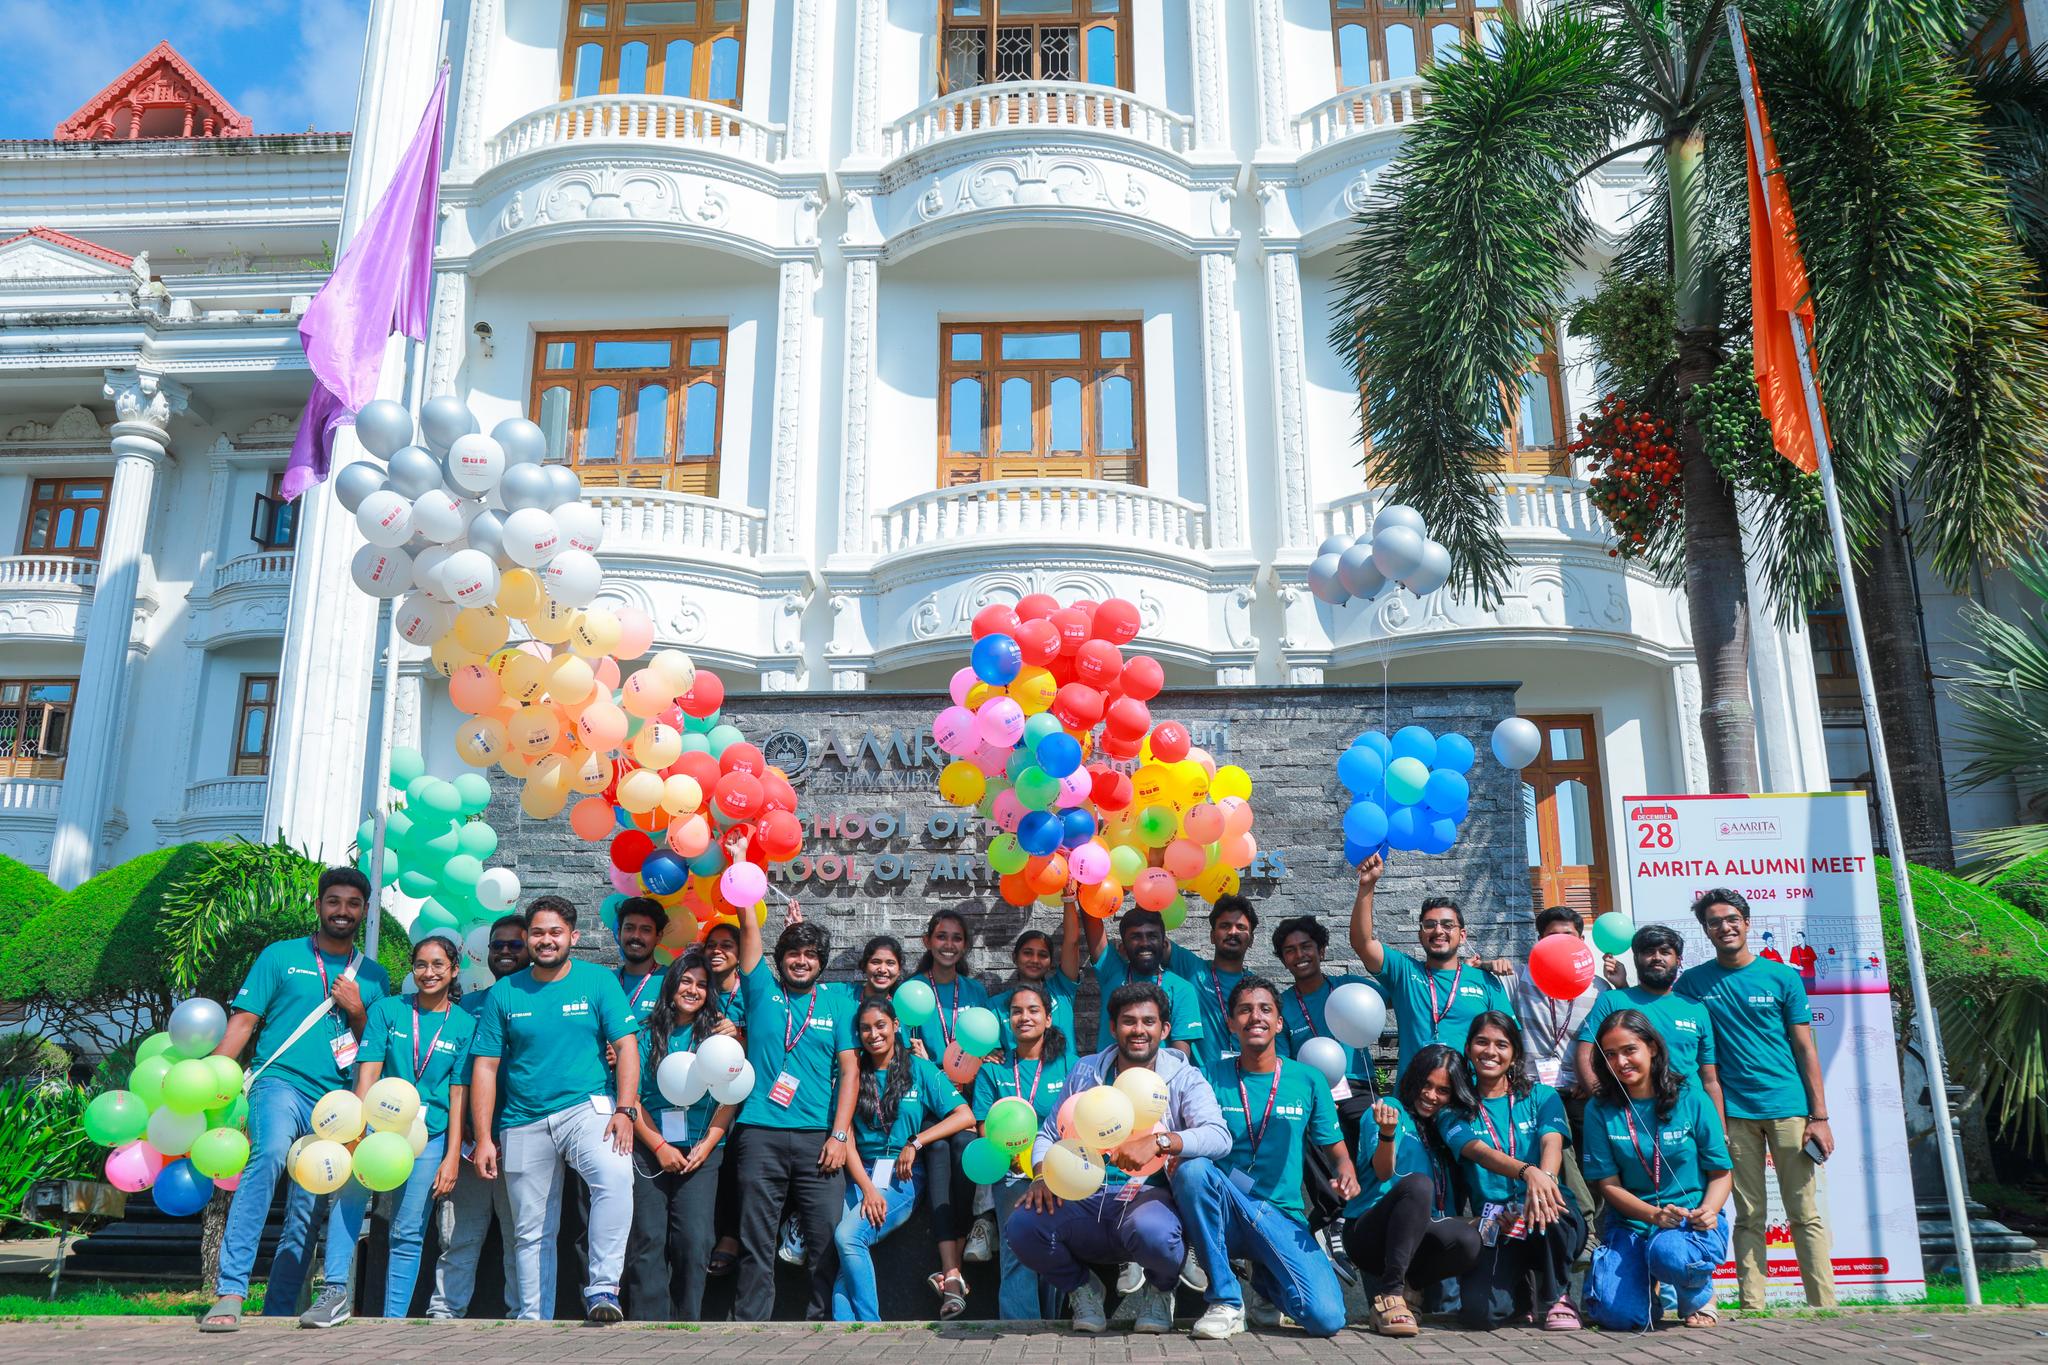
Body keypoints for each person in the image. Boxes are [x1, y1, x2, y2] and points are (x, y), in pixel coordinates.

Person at [201, 867, 393, 1333]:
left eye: (352, 904)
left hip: (337, 1098)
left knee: (309, 1196)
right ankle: (230, 1293)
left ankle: (280, 1308)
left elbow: (374, 1045)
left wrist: (358, 1009)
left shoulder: (374, 975)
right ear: (319, 906)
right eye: (334, 901)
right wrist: (212, 1085)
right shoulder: (280, 956)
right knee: (266, 1157)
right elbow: (244, 1023)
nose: (342, 911)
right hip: (280, 1081)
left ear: (364, 911)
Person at [1003, 981, 1231, 1335]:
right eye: (1128, 1021)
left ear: (1164, 1029)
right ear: (1113, 1027)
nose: (1138, 1030)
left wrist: (1160, 1141)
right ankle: (1083, 1289)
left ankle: (1161, 1289)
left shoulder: (1185, 1077)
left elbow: (1219, 1136)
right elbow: (1049, 1133)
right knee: (1022, 1226)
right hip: (1086, 1195)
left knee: (1154, 1234)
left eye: (1148, 1021)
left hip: (1149, 1198)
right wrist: (1041, 1176)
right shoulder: (1086, 1071)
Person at [469, 896, 643, 1323]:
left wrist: (625, 1110)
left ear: (573, 937)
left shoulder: (599, 981)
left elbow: (626, 1046)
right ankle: (533, 1320)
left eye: (555, 932)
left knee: (615, 1176)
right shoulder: (505, 992)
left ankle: (603, 1288)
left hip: (587, 1109)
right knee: (530, 1231)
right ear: (528, 938)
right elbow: (486, 1068)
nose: (546, 941)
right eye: (538, 933)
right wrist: (486, 1136)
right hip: (522, 1120)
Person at [1675, 888, 1834, 1309]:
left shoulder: (1782, 977)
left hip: (1788, 1109)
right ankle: (1752, 1307)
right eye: (1714, 922)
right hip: (1733, 1115)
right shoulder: (1693, 983)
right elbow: (1668, 1018)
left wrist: (1819, 1116)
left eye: (1731, 919)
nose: (1724, 927)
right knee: (1748, 1216)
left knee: (1804, 1214)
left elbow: (1805, 1047)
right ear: (1705, 931)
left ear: (1745, 923)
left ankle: (1825, 1309)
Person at [1177, 975, 1355, 1340]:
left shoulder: (1308, 1079)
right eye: (1244, 1010)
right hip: (1224, 1208)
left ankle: (1266, 1283)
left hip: (1280, 1214)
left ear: (1278, 1022)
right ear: (1230, 1023)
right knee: (1193, 1171)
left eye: (1264, 1009)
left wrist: (1345, 1173)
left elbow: (1336, 1151)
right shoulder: (1207, 1076)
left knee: (1326, 1319)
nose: (1254, 1017)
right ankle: (1226, 1301)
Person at [730, 888, 860, 1321]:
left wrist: (839, 1135)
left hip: (818, 1139)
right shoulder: (760, 989)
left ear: (821, 963)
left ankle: (823, 1321)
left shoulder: (840, 1005)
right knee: (757, 1239)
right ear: (779, 957)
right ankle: (750, 1324)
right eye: (793, 953)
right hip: (758, 1132)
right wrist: (743, 868)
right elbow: (748, 927)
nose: (801, 961)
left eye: (810, 955)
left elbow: (850, 1073)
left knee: (825, 1238)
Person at [1580, 1010, 1733, 1331]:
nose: (1621, 1062)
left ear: (1651, 1047)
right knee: (1619, 1317)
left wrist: (1709, 1210)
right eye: (1610, 1055)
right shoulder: (1599, 1108)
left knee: (1670, 1251)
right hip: (1633, 1224)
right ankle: (1644, 1287)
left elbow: (1721, 1172)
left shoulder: (1691, 1097)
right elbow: (1608, 1185)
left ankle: (1698, 1295)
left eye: (1629, 1050)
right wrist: (1652, 1215)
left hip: (1689, 1224)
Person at [1436, 1010, 1585, 1331]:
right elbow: (1478, 1152)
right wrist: (1526, 1172)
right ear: (1468, 1047)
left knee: (1550, 1207)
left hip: (1548, 1212)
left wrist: (1541, 1181)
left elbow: (1552, 1144)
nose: (1491, 1051)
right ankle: (1520, 1294)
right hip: (1495, 1220)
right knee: (1480, 1315)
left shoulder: (1541, 1096)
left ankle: (1558, 1296)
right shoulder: (1453, 1111)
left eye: (1501, 1044)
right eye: (1482, 1042)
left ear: (1515, 1053)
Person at [832, 997, 977, 1321]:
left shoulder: (920, 1069)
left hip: (904, 1176)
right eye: (865, 1028)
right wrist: (868, 1189)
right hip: (862, 1174)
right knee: (842, 1243)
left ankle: (869, 1326)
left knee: (848, 1236)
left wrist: (916, 1141)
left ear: (895, 1026)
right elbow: (848, 1141)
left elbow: (964, 1115)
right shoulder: (855, 1075)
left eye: (880, 1025)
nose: (873, 1034)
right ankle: (843, 1331)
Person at [352, 934, 473, 1318]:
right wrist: (356, 1131)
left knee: (408, 1231)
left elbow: (458, 1096)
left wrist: (452, 1156)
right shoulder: (389, 1010)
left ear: (454, 970)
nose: (429, 972)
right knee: (353, 1209)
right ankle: (336, 1293)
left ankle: (394, 1320)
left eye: (439, 965)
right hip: (378, 1129)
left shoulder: (465, 1024)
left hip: (431, 1136)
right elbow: (368, 1071)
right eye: (421, 964)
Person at [625, 950, 739, 1321]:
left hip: (701, 1151)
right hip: (649, 1147)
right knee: (648, 1237)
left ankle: (686, 1324)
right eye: (686, 981)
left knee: (694, 1239)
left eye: (702, 985)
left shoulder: (718, 1034)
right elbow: (632, 1097)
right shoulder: (645, 1032)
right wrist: (658, 1146)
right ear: (671, 985)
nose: (693, 990)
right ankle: (647, 1324)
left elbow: (730, 1095)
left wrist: (707, 1146)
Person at [430, 916, 535, 1319]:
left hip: (525, 1139)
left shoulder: (542, 1004)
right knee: (457, 1237)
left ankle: (522, 1317)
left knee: (521, 1239)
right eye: (498, 946)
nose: (505, 952)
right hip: (472, 1144)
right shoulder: (465, 1007)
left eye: (515, 945)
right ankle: (443, 1315)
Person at [1342, 1044, 1482, 1338]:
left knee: (1470, 1240)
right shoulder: (1387, 1109)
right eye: (1426, 1085)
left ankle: (1411, 1288)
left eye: (1442, 1091)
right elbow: (1383, 1171)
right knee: (1418, 1185)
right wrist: (1387, 1134)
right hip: (1369, 1233)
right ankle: (1392, 1295)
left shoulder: (1444, 1132)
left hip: (1415, 1242)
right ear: (1413, 1078)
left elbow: (1436, 1216)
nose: (1431, 1096)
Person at [1349, 855, 1515, 1076]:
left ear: (1462, 935)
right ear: (1420, 934)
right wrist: (1367, 885)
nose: (1438, 931)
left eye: (1448, 925)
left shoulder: (1486, 981)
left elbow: (1510, 1040)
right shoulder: (1405, 973)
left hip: (1468, 1098)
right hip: (1414, 1100)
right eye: (1430, 925)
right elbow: (1363, 943)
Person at [900, 908, 990, 1313]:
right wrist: (932, 1069)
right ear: (927, 942)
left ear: (965, 945)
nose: (949, 944)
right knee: (936, 1150)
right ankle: (951, 1269)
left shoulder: (976, 992)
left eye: (956, 937)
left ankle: (965, 1249)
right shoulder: (911, 990)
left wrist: (980, 1062)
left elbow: (988, 1046)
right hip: (930, 1102)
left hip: (968, 1101)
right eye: (942, 936)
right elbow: (905, 1052)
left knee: (964, 1150)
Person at [970, 981, 1072, 1321]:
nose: (1024, 1017)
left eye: (1032, 1010)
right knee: (1017, 1248)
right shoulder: (992, 1069)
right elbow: (984, 1125)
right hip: (1011, 1172)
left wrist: (1045, 1166)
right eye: (1016, 1011)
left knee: (1053, 1245)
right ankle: (1019, 1327)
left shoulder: (1068, 1064)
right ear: (1008, 1020)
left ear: (1047, 1018)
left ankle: (1052, 1323)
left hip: (1057, 1170)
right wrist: (1015, 1156)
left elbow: (1076, 1120)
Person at [1575, 924, 1725, 1116]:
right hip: (1630, 1116)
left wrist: (1721, 1132)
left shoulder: (1697, 1009)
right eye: (1648, 952)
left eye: (1665, 952)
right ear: (1636, 959)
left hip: (1689, 1115)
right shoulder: (1612, 1000)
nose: (1657, 958)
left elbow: (1710, 1079)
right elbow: (1584, 1055)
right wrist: (1604, 1104)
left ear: (1678, 960)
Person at [1270, 912, 1388, 1145]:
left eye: (1306, 946)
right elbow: (1284, 1062)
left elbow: (1397, 999)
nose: (1299, 955)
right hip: (1310, 1090)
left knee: (1373, 1130)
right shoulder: (1282, 1005)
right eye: (1290, 950)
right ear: (1284, 960)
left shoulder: (1349, 987)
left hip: (1357, 1085)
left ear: (1321, 951)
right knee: (1306, 1136)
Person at [1082, 907, 1205, 1057]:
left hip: (1158, 1079)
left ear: (1164, 943)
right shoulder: (1112, 972)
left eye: (1152, 936)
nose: (1144, 943)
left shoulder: (1182, 989)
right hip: (1109, 1078)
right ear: (1123, 947)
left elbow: (1179, 1059)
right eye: (1135, 937)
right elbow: (1091, 912)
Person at [697, 918, 747, 1281]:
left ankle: (730, 1236)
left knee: (737, 1162)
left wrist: (739, 1033)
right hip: (697, 1094)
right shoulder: (698, 989)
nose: (717, 950)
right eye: (711, 944)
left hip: (744, 1096)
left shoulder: (752, 992)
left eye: (727, 944)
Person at [1164, 894, 1258, 1070]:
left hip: (1243, 1085)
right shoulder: (1192, 969)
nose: (1232, 932)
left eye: (1241, 927)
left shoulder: (1258, 988)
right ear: (1212, 936)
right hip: (1200, 1085)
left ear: (1251, 940)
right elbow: (1153, 937)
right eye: (1225, 926)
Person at [991, 906, 1082, 1058]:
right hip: (1021, 1080)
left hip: (1067, 1079)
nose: (1034, 960)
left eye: (1042, 955)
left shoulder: (1061, 990)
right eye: (1027, 953)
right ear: (1015, 957)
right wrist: (989, 1053)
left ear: (1051, 962)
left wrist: (1069, 899)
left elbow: (1072, 942)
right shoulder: (996, 1005)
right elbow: (992, 1051)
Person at [614, 898, 669, 1027]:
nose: (636, 936)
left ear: (659, 937)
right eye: (629, 928)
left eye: (646, 930)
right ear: (619, 933)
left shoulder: (673, 981)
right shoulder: (605, 980)